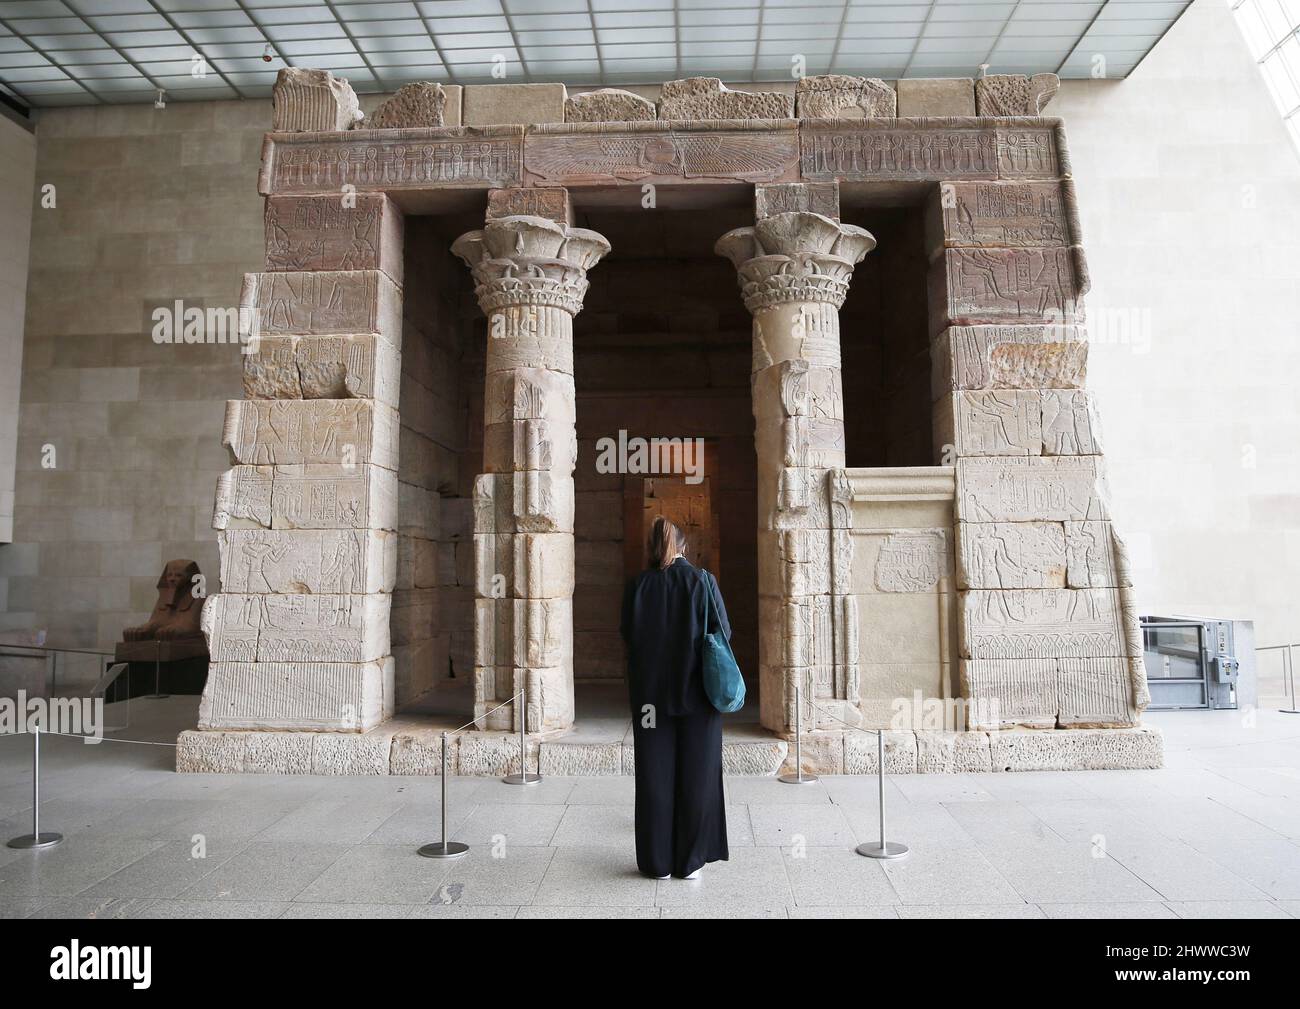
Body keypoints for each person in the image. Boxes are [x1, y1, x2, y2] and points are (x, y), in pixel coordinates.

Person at [620, 515, 731, 880]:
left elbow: (628, 635)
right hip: (697, 695)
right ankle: (689, 861)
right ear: (683, 546)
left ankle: (657, 863)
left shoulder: (638, 585)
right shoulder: (702, 581)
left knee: (654, 776)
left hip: (650, 700)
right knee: (698, 774)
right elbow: (723, 632)